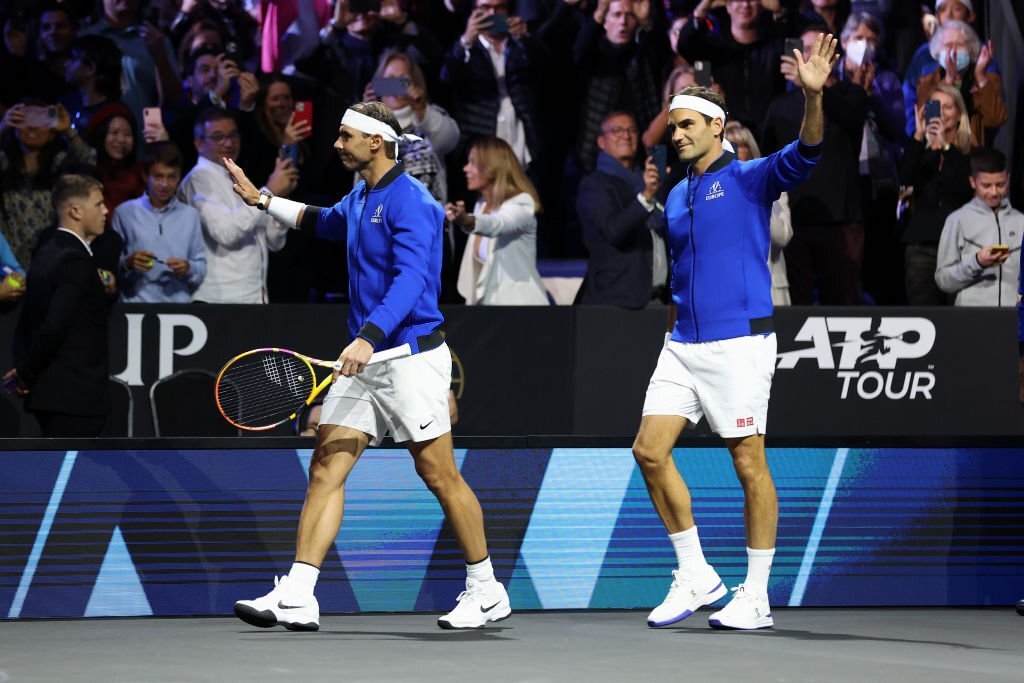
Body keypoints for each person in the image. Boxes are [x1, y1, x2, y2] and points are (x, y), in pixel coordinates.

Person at [225, 101, 511, 631]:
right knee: (327, 463)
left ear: (375, 142)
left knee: (439, 474)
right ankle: (300, 592)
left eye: (345, 136)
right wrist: (263, 201)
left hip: (408, 360)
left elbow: (409, 281)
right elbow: (325, 221)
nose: (336, 143)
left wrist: (367, 337)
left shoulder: (413, 202)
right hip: (367, 359)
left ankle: (486, 587)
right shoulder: (361, 194)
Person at [634, 34, 833, 631]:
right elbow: (681, 277)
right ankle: (696, 574)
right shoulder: (673, 196)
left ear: (717, 127)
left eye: (688, 124)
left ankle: (756, 593)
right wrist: (672, 337)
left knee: (748, 462)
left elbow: (806, 154)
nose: (677, 135)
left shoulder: (748, 177)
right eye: (674, 127)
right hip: (682, 343)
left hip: (739, 344)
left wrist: (813, 98)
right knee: (648, 451)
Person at [4, 174, 111, 437]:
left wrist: (26, 371)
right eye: (98, 204)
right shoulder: (75, 261)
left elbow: (26, 324)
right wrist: (27, 373)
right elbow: (54, 326)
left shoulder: (46, 252)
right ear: (76, 210)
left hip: (52, 395)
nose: (106, 210)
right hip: (74, 399)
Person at [177, 108, 297, 303]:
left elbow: (274, 242)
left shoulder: (236, 177)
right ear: (199, 143)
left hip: (254, 297)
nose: (228, 143)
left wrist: (277, 200)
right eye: (218, 137)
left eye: (233, 135)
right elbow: (226, 232)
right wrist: (268, 192)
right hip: (220, 301)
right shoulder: (198, 180)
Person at [576, 111, 667, 309]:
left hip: (658, 300)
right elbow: (614, 231)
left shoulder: (647, 180)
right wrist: (646, 198)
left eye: (631, 130)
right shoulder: (595, 185)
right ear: (601, 141)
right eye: (617, 130)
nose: (626, 135)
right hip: (617, 304)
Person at [449, 136, 549, 305]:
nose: (466, 169)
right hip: (490, 307)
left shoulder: (522, 203)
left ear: (490, 168)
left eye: (472, 163)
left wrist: (467, 221)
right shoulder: (481, 205)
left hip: (520, 306)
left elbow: (498, 224)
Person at [899, 82, 974, 305]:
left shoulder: (969, 156)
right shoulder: (920, 152)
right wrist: (919, 135)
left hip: (960, 248)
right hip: (922, 248)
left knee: (958, 320)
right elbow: (904, 179)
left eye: (948, 107)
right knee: (924, 316)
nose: (941, 112)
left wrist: (946, 148)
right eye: (936, 106)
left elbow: (963, 188)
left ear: (959, 115)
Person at [113, 142, 207, 303]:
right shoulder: (124, 213)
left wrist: (188, 268)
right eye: (158, 176)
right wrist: (127, 263)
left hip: (178, 307)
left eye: (171, 177)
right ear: (145, 176)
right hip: (135, 308)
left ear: (179, 176)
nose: (165, 184)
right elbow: (109, 267)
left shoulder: (190, 215)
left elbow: (201, 267)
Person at [935, 147, 1022, 307]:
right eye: (986, 185)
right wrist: (977, 262)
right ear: (973, 182)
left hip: (1015, 319)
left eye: (1000, 184)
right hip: (973, 320)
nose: (994, 192)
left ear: (1008, 179)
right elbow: (943, 281)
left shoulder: (1021, 221)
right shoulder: (957, 220)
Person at [725, 121, 793, 306]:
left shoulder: (773, 188)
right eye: (728, 145)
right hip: (731, 294)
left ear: (751, 150)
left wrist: (758, 199)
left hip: (769, 291)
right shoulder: (715, 193)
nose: (734, 150)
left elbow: (783, 237)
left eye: (740, 145)